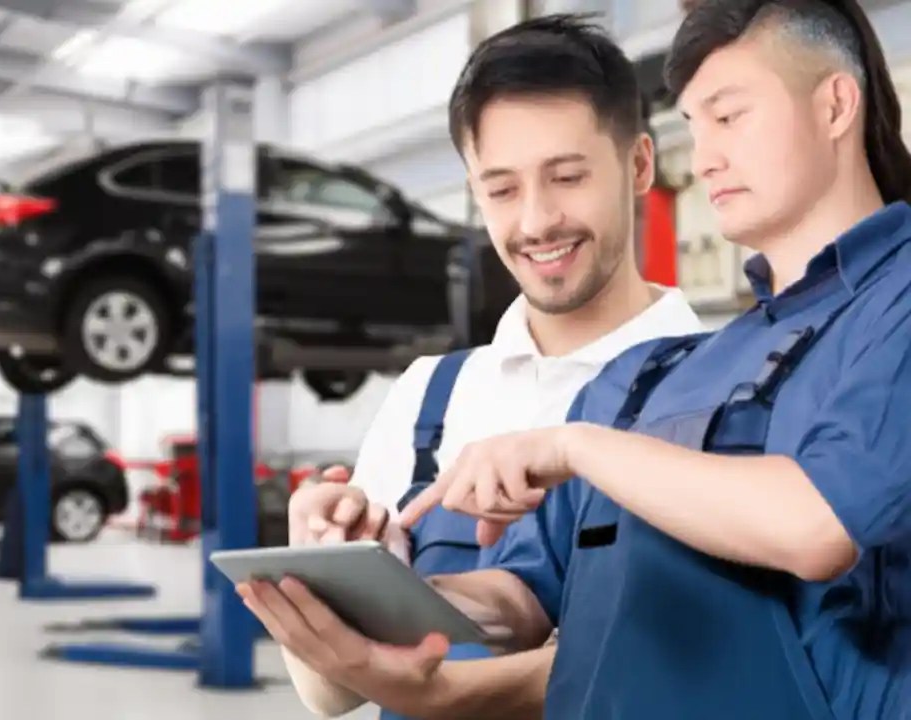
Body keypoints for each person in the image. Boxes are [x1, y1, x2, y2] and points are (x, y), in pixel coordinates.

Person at [244, 1, 911, 718]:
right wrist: (371, 584)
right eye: (695, 123)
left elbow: (816, 528)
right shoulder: (654, 375)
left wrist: (573, 447)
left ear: (836, 104)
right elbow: (519, 599)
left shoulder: (890, 305)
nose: (707, 155)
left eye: (730, 115)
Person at [262, 14, 704, 719]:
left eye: (566, 176)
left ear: (639, 164)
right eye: (500, 190)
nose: (535, 222)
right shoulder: (430, 395)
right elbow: (333, 696)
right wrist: (321, 563)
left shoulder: (720, 389)